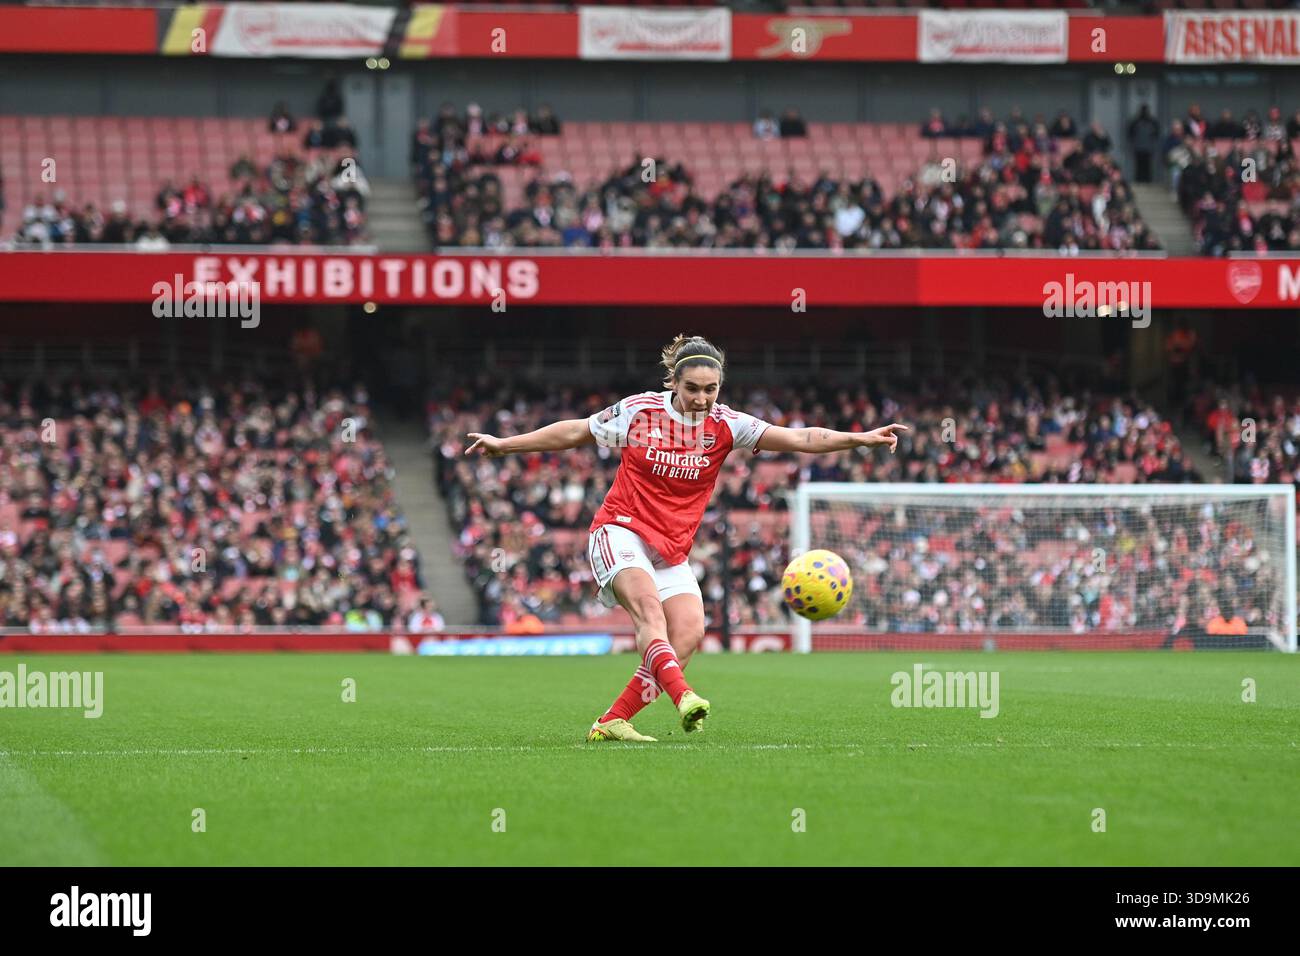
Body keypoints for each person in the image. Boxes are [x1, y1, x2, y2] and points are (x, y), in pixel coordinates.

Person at [464, 334, 907, 742]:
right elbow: (576, 430)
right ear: (673, 382)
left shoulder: (728, 425)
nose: (701, 398)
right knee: (650, 615)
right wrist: (506, 445)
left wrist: (859, 440)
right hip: (620, 529)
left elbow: (804, 437)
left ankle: (612, 721)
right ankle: (684, 696)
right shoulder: (640, 412)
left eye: (710, 389)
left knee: (691, 633)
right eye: (692, 388)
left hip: (670, 549)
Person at [1128, 105, 1160, 184]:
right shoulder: (1150, 122)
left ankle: (1145, 180)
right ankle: (1141, 180)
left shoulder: (1137, 121)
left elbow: (1156, 133)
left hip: (1144, 147)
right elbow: (1130, 134)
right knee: (1141, 165)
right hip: (1142, 147)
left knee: (1145, 165)